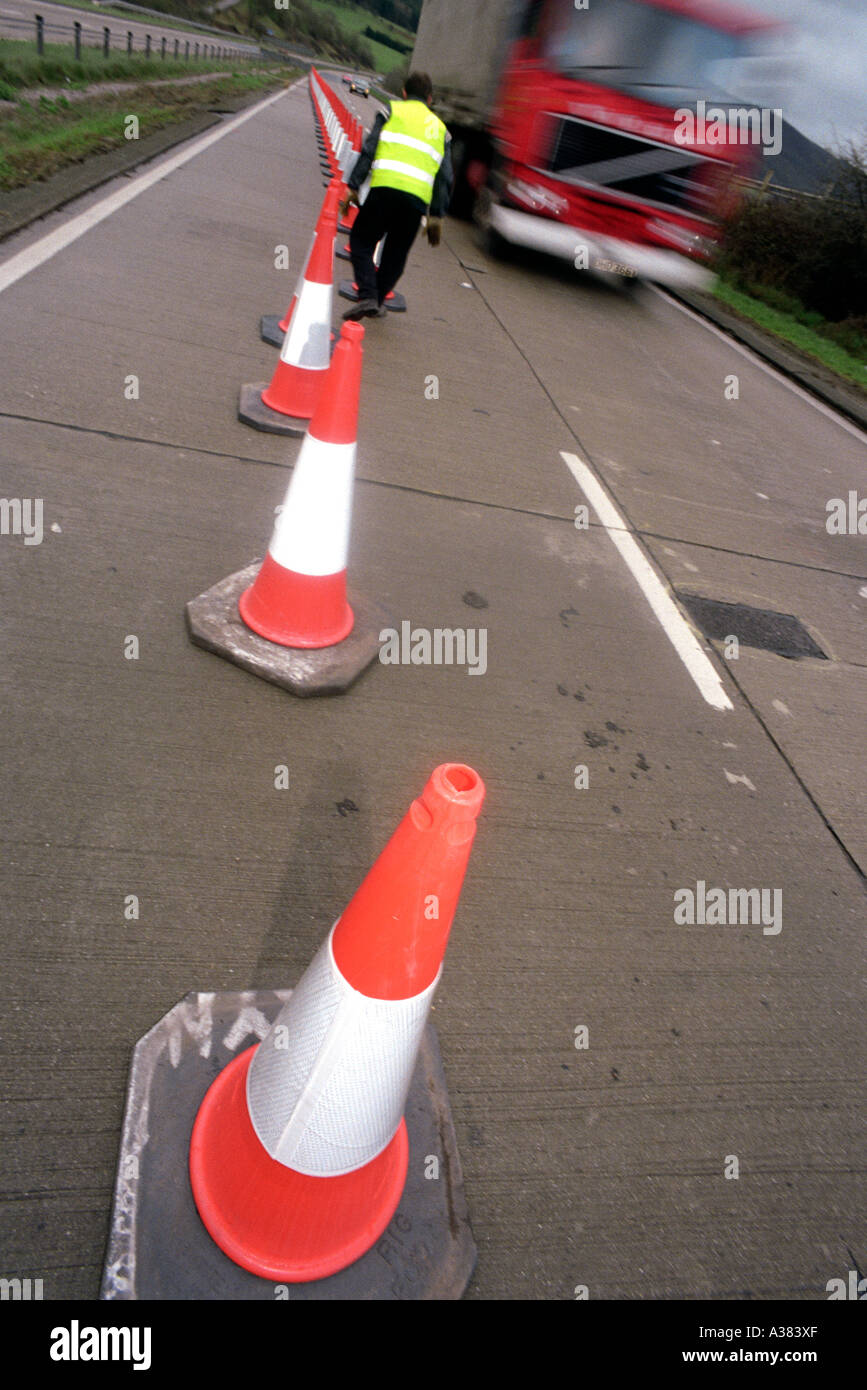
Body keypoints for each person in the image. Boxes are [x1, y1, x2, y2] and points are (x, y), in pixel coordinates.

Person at [339, 71, 453, 320]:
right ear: (430, 99)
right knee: (396, 254)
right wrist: (436, 215)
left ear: (403, 92)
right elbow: (445, 178)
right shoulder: (441, 131)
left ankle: (368, 295)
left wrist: (353, 185)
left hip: (384, 192)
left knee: (360, 241)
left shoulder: (391, 112)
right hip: (415, 203)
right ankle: (377, 301)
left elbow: (369, 150)